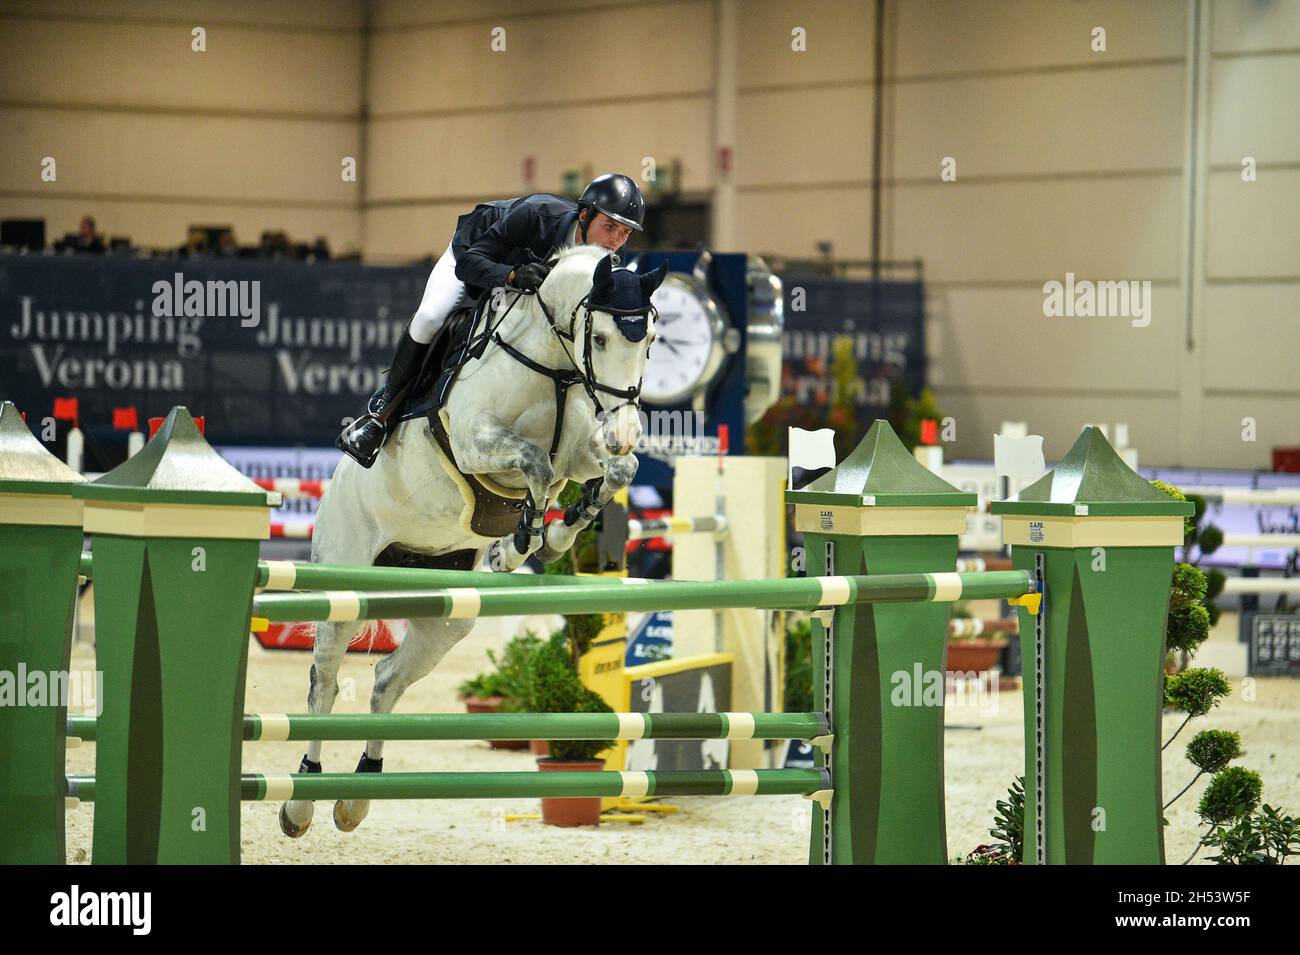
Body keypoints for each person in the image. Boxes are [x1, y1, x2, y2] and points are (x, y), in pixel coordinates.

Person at [336, 173, 646, 467]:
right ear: (584, 215)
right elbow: (470, 264)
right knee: (430, 317)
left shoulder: (605, 259)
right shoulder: (537, 216)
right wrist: (511, 275)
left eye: (625, 232)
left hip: (520, 283)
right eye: (610, 226)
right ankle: (381, 413)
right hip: (474, 254)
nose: (616, 240)